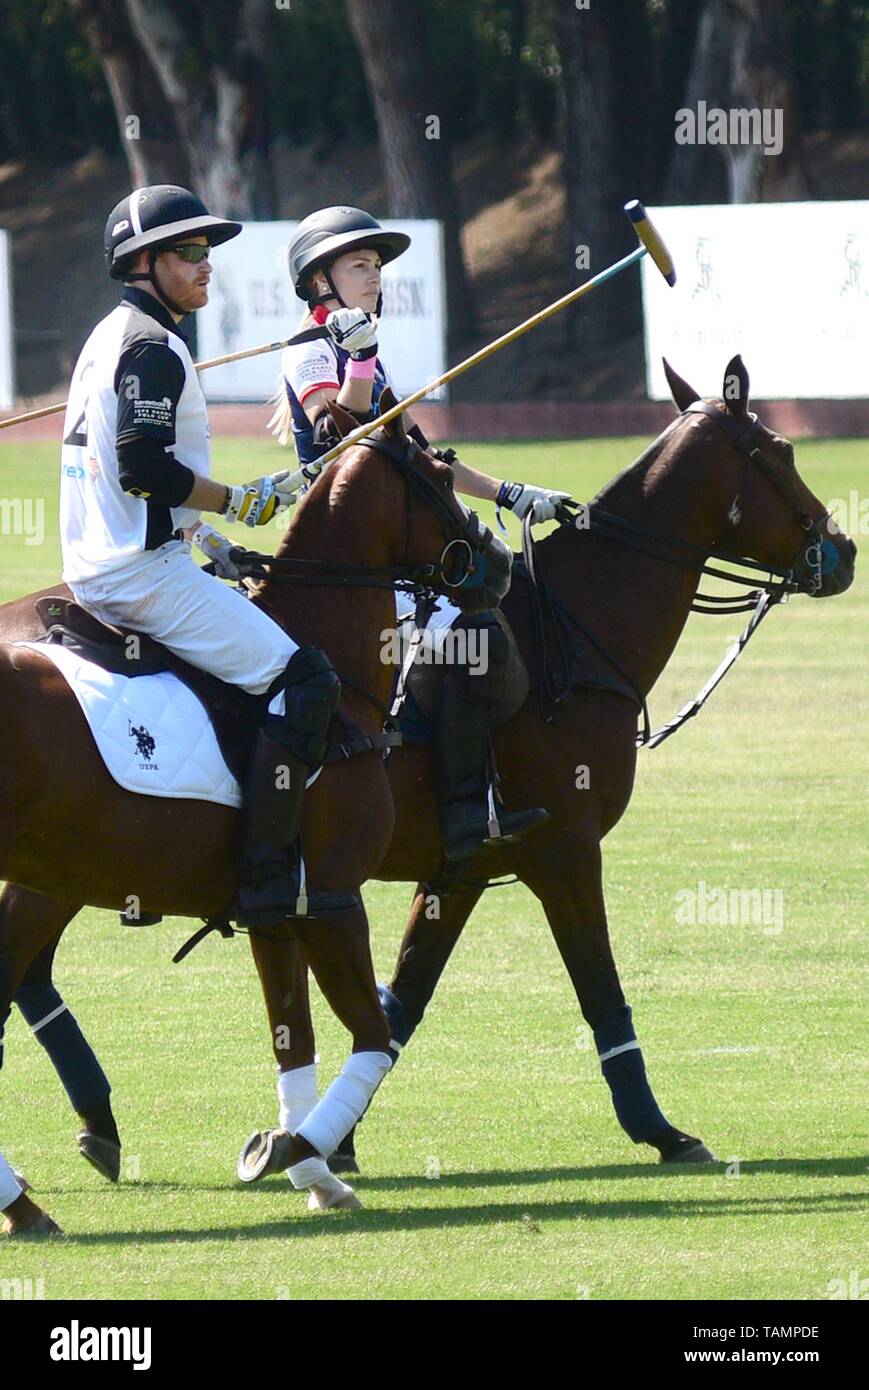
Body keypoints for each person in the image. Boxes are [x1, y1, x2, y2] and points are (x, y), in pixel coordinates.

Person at [59, 184, 358, 927]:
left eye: (208, 254)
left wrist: (214, 542)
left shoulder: (111, 335)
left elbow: (136, 485)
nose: (205, 267)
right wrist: (237, 499)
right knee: (307, 680)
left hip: (118, 559)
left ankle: (155, 839)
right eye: (188, 254)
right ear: (142, 263)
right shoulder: (152, 347)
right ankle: (261, 879)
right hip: (136, 576)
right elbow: (141, 467)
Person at [269, 206, 566, 862]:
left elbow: (424, 464)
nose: (375, 279)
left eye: (377, 267)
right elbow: (338, 436)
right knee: (477, 644)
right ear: (320, 280)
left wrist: (513, 493)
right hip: (353, 559)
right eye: (360, 266)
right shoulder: (308, 350)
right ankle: (462, 812)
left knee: (496, 613)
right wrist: (360, 358)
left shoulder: (358, 352)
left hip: (399, 544)